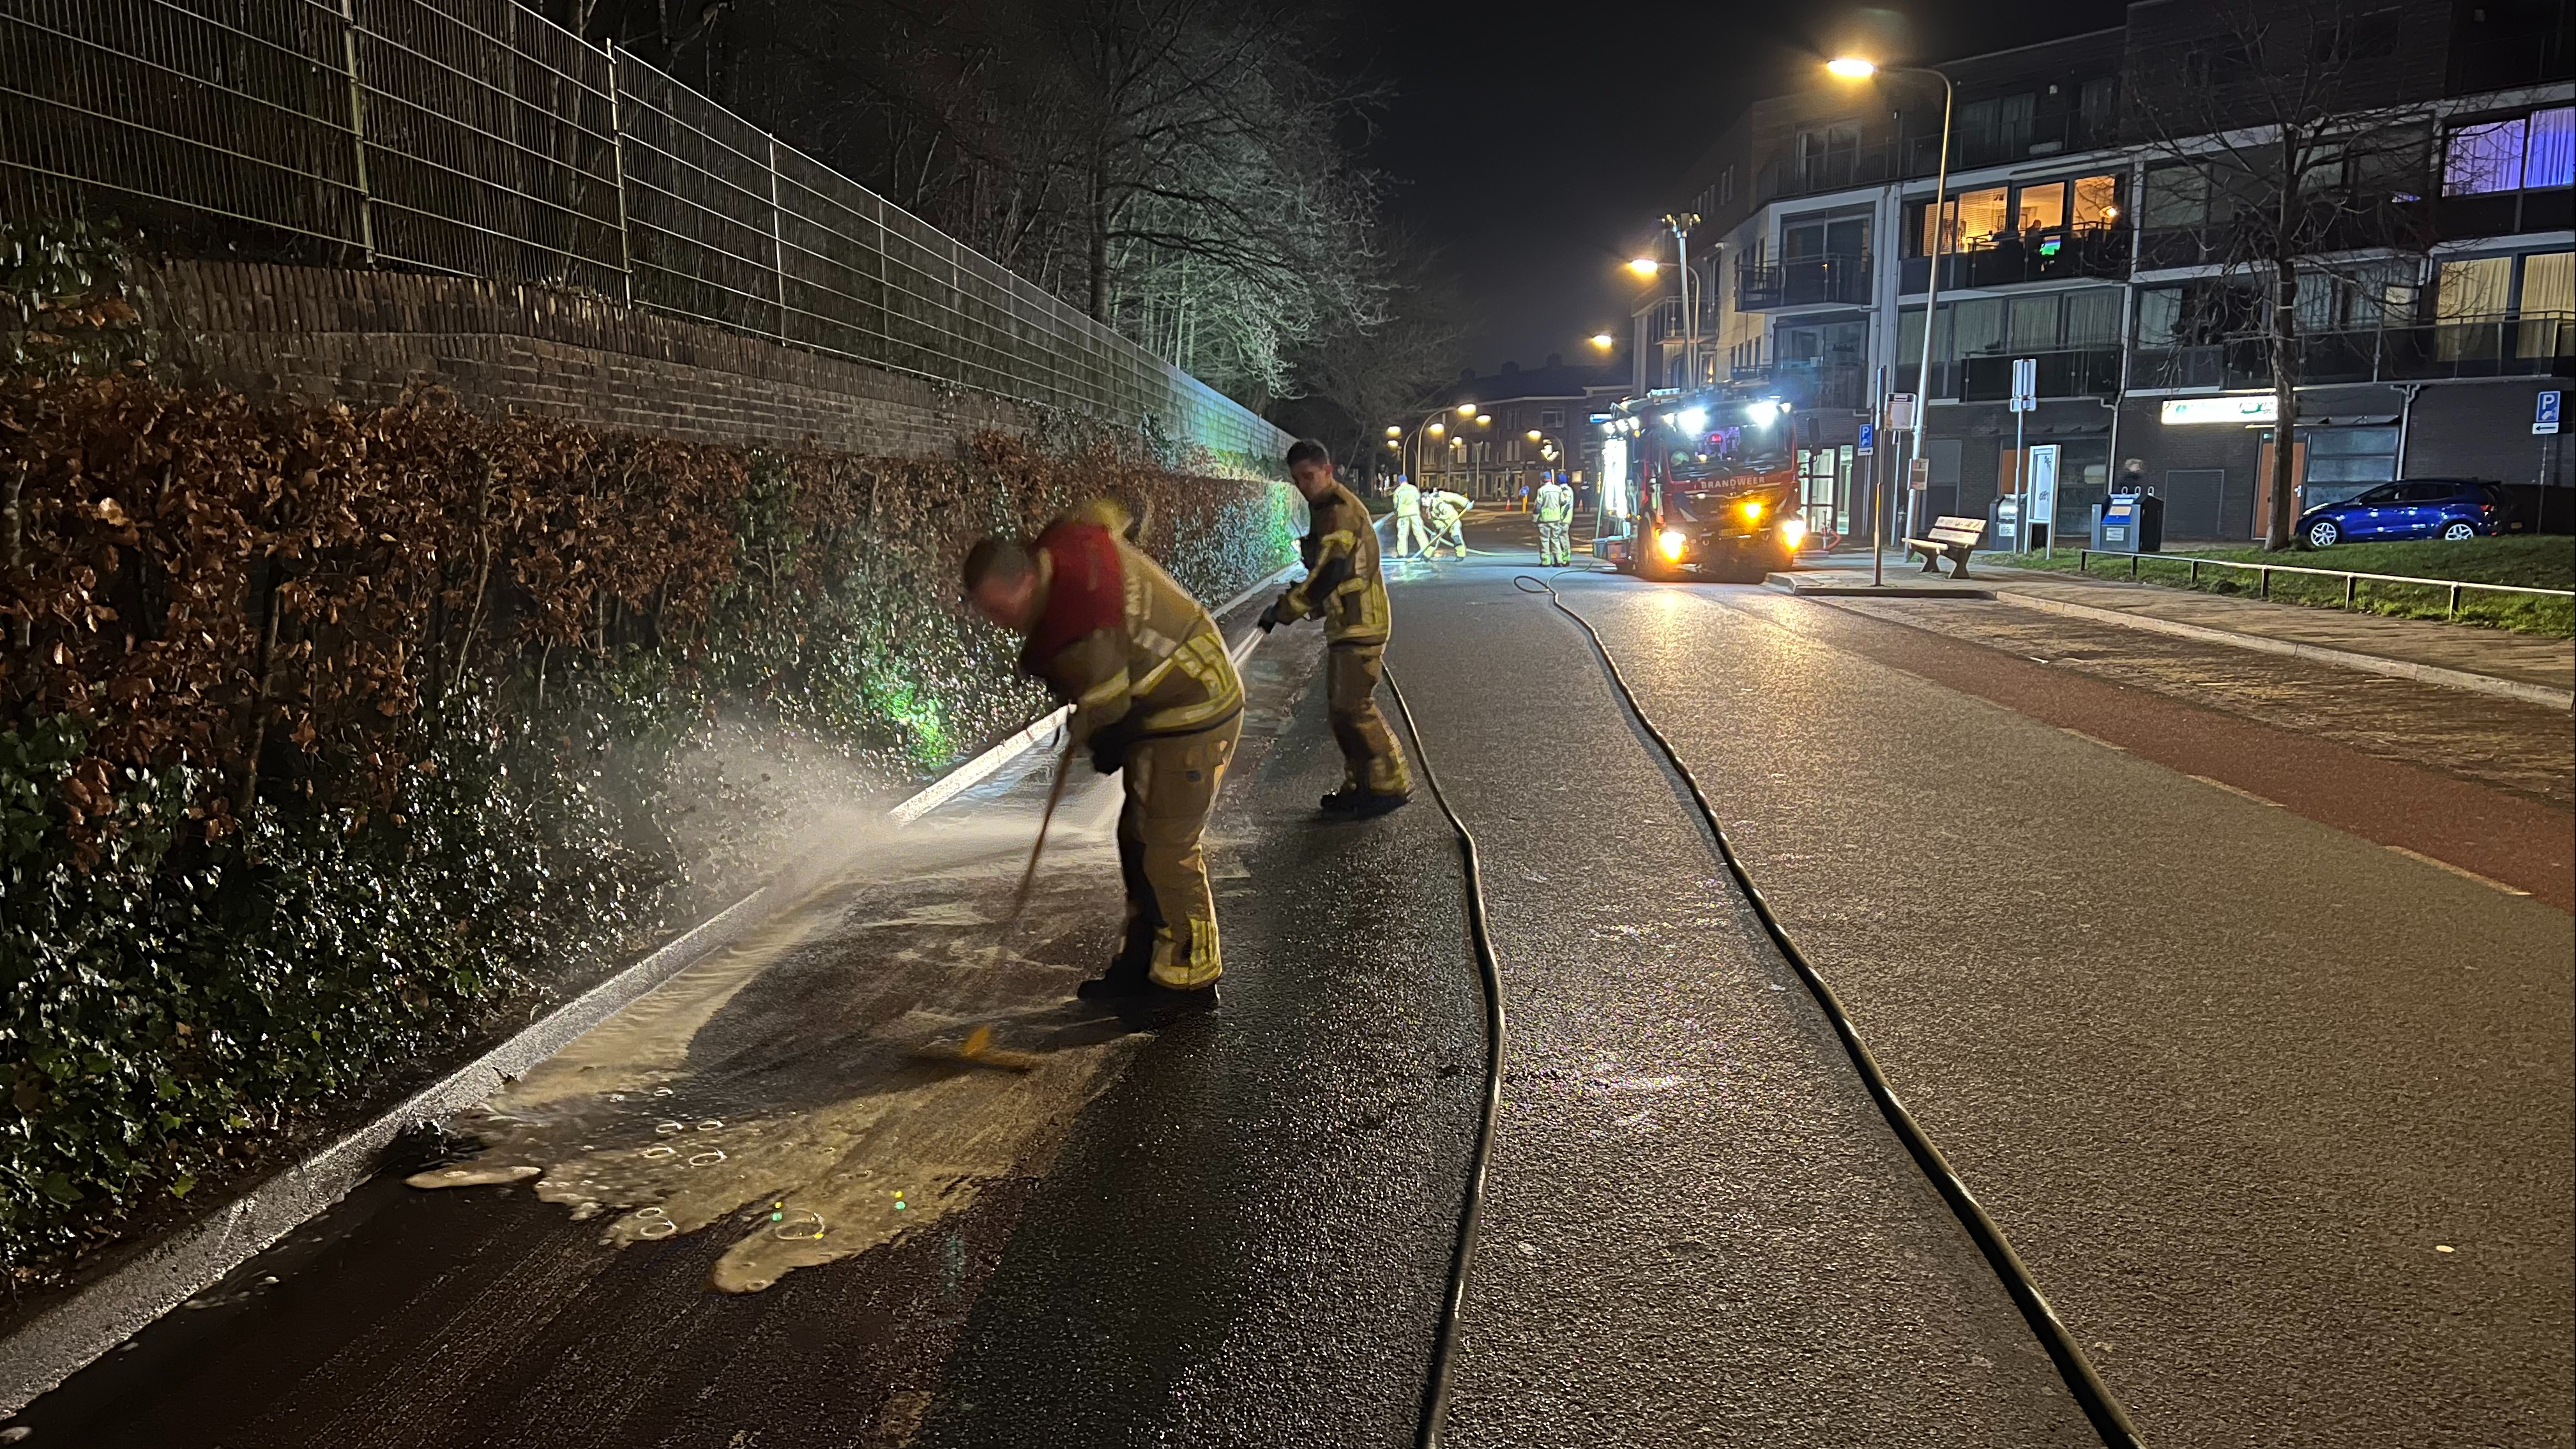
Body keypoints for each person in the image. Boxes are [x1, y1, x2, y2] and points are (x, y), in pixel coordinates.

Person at [963, 499, 1242, 1009]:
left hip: (1193, 709)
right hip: (1176, 693)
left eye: (1001, 612)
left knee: (1165, 844)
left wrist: (1090, 732)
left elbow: (1108, 704)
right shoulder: (1070, 535)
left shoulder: (1081, 627)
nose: (1002, 625)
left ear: (1025, 580)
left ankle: (1188, 979)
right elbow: (1115, 511)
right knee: (1134, 837)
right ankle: (1144, 960)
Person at [1259, 439, 1414, 816]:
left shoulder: (1340, 512)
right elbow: (1324, 571)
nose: (1303, 485)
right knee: (1342, 710)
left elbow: (1333, 569)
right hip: (1348, 623)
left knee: (1354, 708)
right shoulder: (1325, 509)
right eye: (1296, 479)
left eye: (1309, 476)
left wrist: (1288, 608)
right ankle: (1361, 783)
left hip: (1362, 623)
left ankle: (1389, 784)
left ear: (1329, 471)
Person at [1533, 473, 1575, 566]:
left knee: (1545, 540)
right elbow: (1564, 502)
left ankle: (1546, 560)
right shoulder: (1558, 490)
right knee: (1555, 539)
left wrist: (1535, 519)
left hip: (1545, 519)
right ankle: (1560, 560)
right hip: (1556, 519)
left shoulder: (1542, 490)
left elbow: (1538, 506)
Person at [1423, 486, 1473, 558]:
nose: (1424, 504)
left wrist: (1466, 503)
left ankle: (1460, 555)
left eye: (1425, 502)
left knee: (1456, 536)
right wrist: (1438, 528)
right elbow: (1434, 520)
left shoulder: (1439, 496)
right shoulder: (1429, 509)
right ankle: (1427, 555)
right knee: (1434, 538)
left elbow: (1454, 497)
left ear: (1428, 498)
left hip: (1452, 519)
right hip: (1441, 522)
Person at [1390, 475, 1429, 559]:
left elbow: (1395, 503)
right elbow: (1418, 499)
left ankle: (1402, 553)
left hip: (1403, 515)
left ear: (1400, 482)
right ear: (1407, 480)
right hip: (1414, 514)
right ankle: (1426, 551)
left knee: (1402, 534)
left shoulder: (1398, 491)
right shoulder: (1413, 488)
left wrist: (1396, 510)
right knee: (1419, 533)